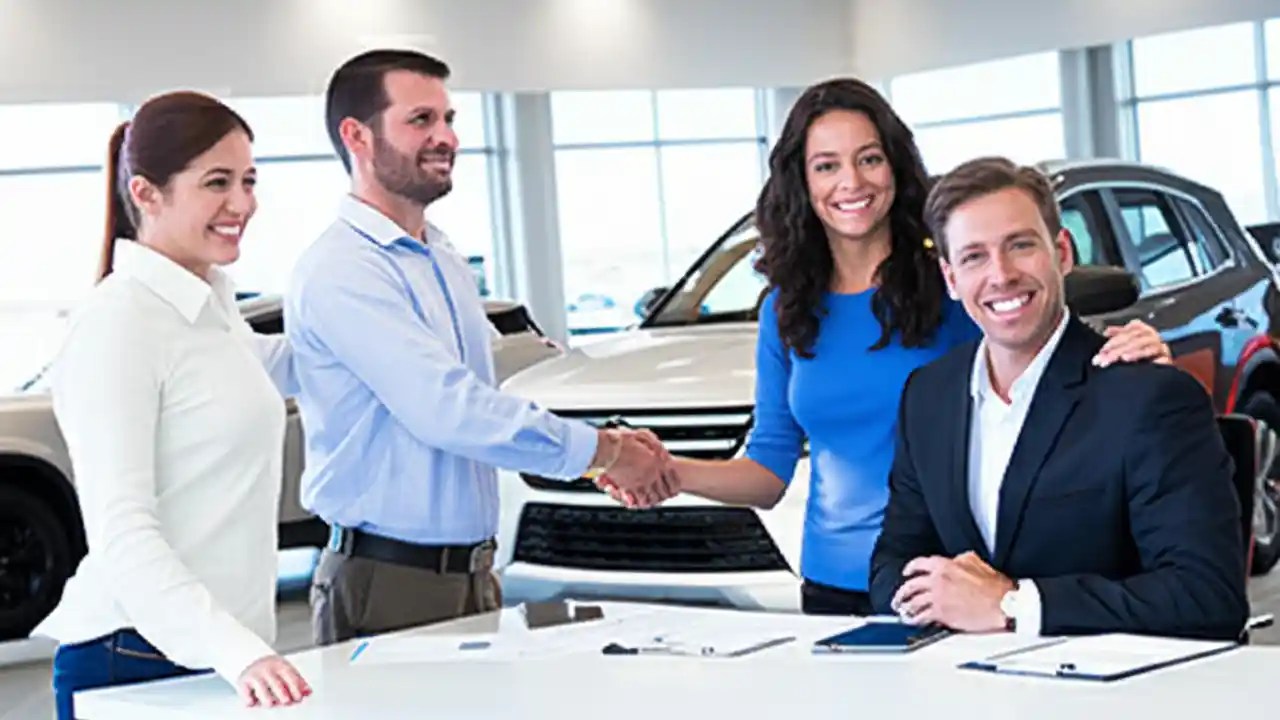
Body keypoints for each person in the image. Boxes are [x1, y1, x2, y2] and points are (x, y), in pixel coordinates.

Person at [599, 78, 1170, 617]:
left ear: (895, 165)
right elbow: (769, 469)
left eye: (869, 158)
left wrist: (1129, 359)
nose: (852, 182)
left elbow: (1048, 363)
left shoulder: (955, 284)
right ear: (802, 182)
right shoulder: (785, 310)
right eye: (827, 165)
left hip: (948, 582)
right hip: (828, 584)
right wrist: (668, 471)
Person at [285, 49, 668, 646]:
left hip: (472, 573)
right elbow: (449, 410)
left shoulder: (441, 257)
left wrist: (602, 451)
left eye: (449, 119)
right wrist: (605, 451)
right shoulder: (344, 269)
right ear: (357, 136)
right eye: (420, 120)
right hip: (388, 580)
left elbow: (484, 405)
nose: (445, 138)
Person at [868, 157, 1249, 640]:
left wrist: (1012, 605)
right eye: (974, 257)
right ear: (951, 279)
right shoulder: (928, 396)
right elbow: (892, 563)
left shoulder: (1149, 396)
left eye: (1020, 245)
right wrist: (933, 597)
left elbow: (1207, 596)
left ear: (1063, 253)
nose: (1001, 274)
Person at [38, 91, 311, 719]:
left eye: (248, 180)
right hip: (133, 657)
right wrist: (239, 653)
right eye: (217, 182)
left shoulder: (210, 305)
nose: (242, 203)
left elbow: (285, 366)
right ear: (146, 193)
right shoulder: (119, 323)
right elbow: (123, 532)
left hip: (217, 654)